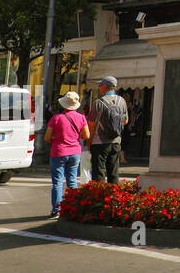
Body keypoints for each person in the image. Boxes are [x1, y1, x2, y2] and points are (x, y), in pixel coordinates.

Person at [45, 92, 90, 220]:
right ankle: (73, 207)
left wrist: (57, 139)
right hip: (75, 152)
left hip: (58, 152)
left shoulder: (56, 118)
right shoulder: (81, 117)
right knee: (72, 180)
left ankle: (56, 209)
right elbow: (86, 135)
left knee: (58, 182)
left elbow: (47, 137)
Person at [88, 76, 128, 184]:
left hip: (99, 141)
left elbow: (91, 124)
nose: (99, 88)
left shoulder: (98, 102)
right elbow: (125, 121)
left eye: (100, 85)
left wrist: (89, 141)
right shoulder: (122, 101)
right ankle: (113, 196)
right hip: (116, 141)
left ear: (106, 86)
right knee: (113, 172)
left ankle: (99, 196)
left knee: (98, 172)